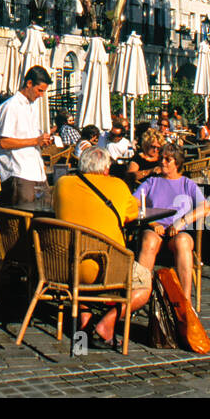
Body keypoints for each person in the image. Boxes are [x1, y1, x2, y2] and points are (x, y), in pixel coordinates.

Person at [54, 147, 153, 346]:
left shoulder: (62, 183)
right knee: (145, 285)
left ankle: (84, 319)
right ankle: (107, 322)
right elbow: (131, 216)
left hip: (64, 267)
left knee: (81, 256)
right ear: (106, 169)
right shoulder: (118, 185)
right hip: (106, 268)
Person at [134, 145, 210, 306]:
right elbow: (133, 205)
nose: (162, 162)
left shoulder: (187, 184)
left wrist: (182, 221)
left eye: (167, 159)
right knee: (149, 241)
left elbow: (205, 208)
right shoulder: (152, 182)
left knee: (182, 242)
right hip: (155, 229)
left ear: (177, 163)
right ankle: (141, 295)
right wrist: (152, 222)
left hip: (178, 231)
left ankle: (185, 301)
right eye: (161, 158)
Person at [0, 65, 55, 208]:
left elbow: (31, 138)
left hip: (37, 172)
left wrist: (42, 140)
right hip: (19, 172)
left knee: (45, 213)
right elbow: (4, 142)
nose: (41, 95)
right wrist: (36, 140)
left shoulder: (32, 106)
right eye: (39, 90)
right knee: (24, 219)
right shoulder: (11, 106)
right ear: (29, 83)